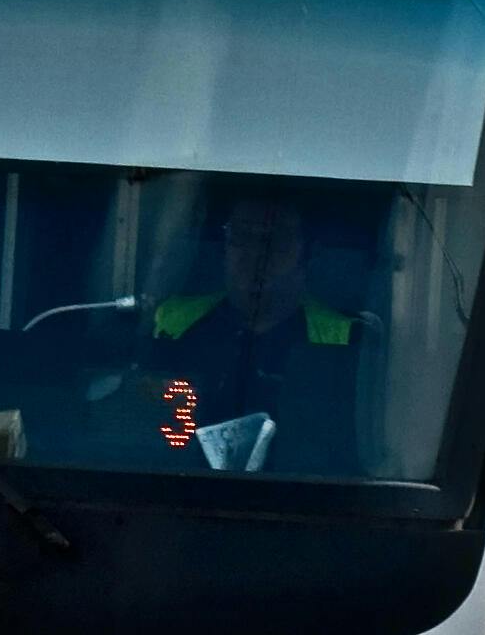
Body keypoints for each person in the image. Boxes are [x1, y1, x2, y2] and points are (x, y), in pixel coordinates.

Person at [143, 192, 368, 475]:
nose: (257, 253)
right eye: (242, 236)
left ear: (308, 252)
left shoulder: (346, 337)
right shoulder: (173, 321)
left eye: (276, 239)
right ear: (223, 247)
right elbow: (146, 431)